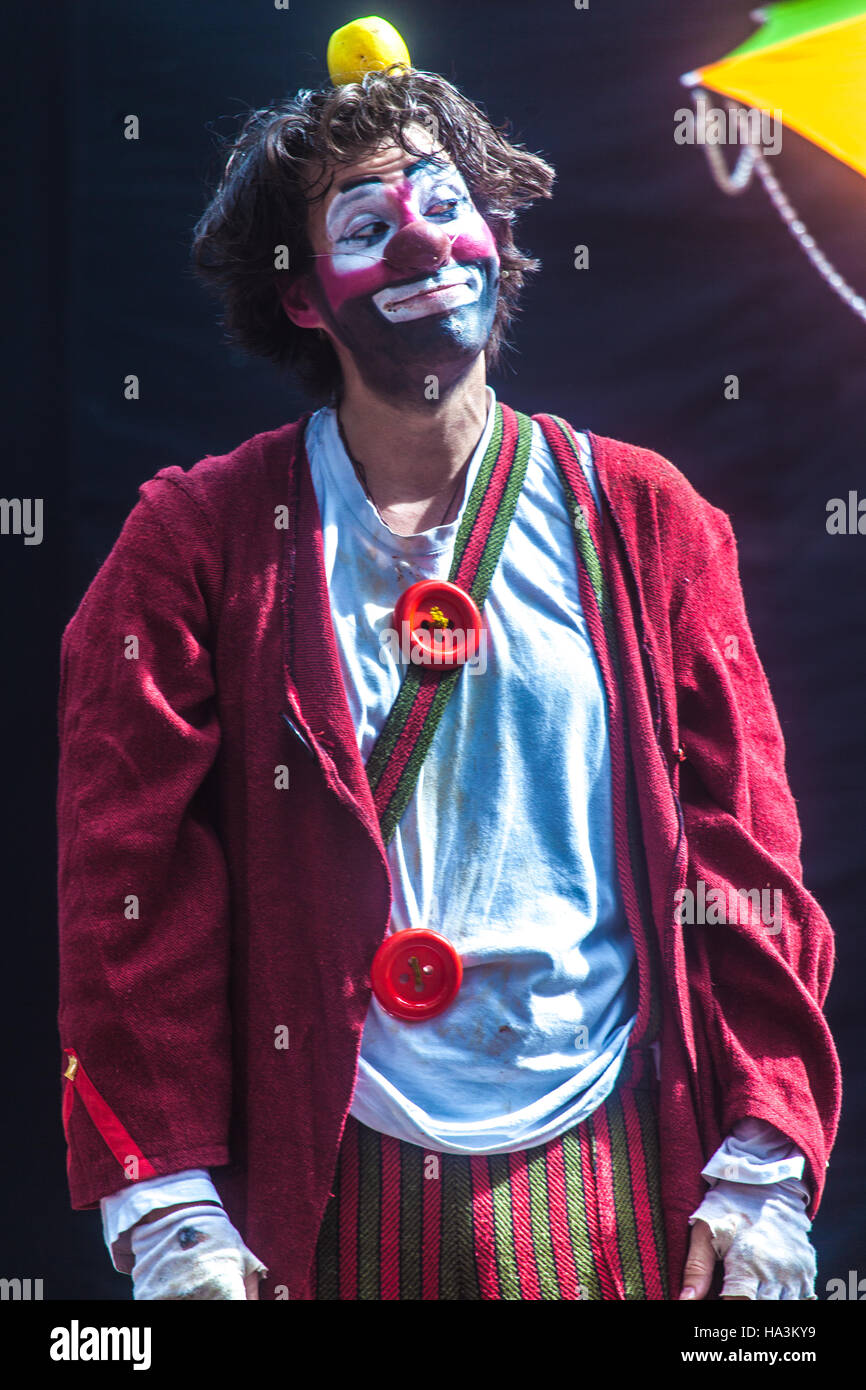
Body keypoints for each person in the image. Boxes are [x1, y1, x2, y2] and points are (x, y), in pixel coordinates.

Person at [57, 55, 840, 1302]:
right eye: (367, 224)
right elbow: (128, 888)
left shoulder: (645, 519)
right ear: (305, 299)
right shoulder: (196, 541)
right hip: (324, 1201)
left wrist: (758, 1170)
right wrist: (170, 1210)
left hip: (615, 1190)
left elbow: (743, 853)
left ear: (494, 230)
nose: (422, 235)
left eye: (442, 197)